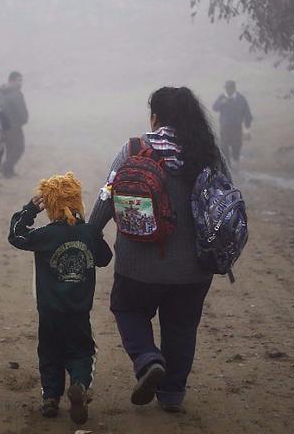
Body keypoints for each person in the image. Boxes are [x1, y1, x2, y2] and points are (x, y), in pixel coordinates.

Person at [88, 86, 226, 414]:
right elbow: (225, 201)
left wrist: (91, 232)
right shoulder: (206, 153)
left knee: (129, 311)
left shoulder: (135, 148)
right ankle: (173, 394)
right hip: (193, 267)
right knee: (181, 326)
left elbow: (108, 195)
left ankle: (148, 359)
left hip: (138, 264)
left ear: (155, 116)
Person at [8, 172, 112, 425]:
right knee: (82, 352)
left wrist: (30, 208)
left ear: (49, 205)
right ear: (78, 201)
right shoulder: (88, 232)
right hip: (78, 311)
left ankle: (50, 399)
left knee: (50, 353)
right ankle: (79, 384)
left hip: (49, 310)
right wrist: (93, 234)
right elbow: (105, 258)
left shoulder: (44, 235)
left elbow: (16, 235)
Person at [212, 80, 252, 166]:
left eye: (229, 88)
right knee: (224, 147)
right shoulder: (222, 97)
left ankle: (236, 157)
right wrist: (221, 103)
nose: (227, 90)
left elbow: (247, 114)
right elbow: (215, 107)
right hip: (225, 127)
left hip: (237, 128)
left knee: (237, 146)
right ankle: (228, 166)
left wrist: (247, 129)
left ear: (233, 89)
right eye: (226, 88)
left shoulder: (241, 99)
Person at [0, 71, 28, 178]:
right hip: (14, 126)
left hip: (3, 125)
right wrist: (24, 119)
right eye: (19, 80)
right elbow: (20, 110)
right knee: (19, 148)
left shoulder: (2, 93)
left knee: (10, 148)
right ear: (12, 81)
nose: (20, 83)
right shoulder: (15, 94)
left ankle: (9, 171)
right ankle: (5, 167)